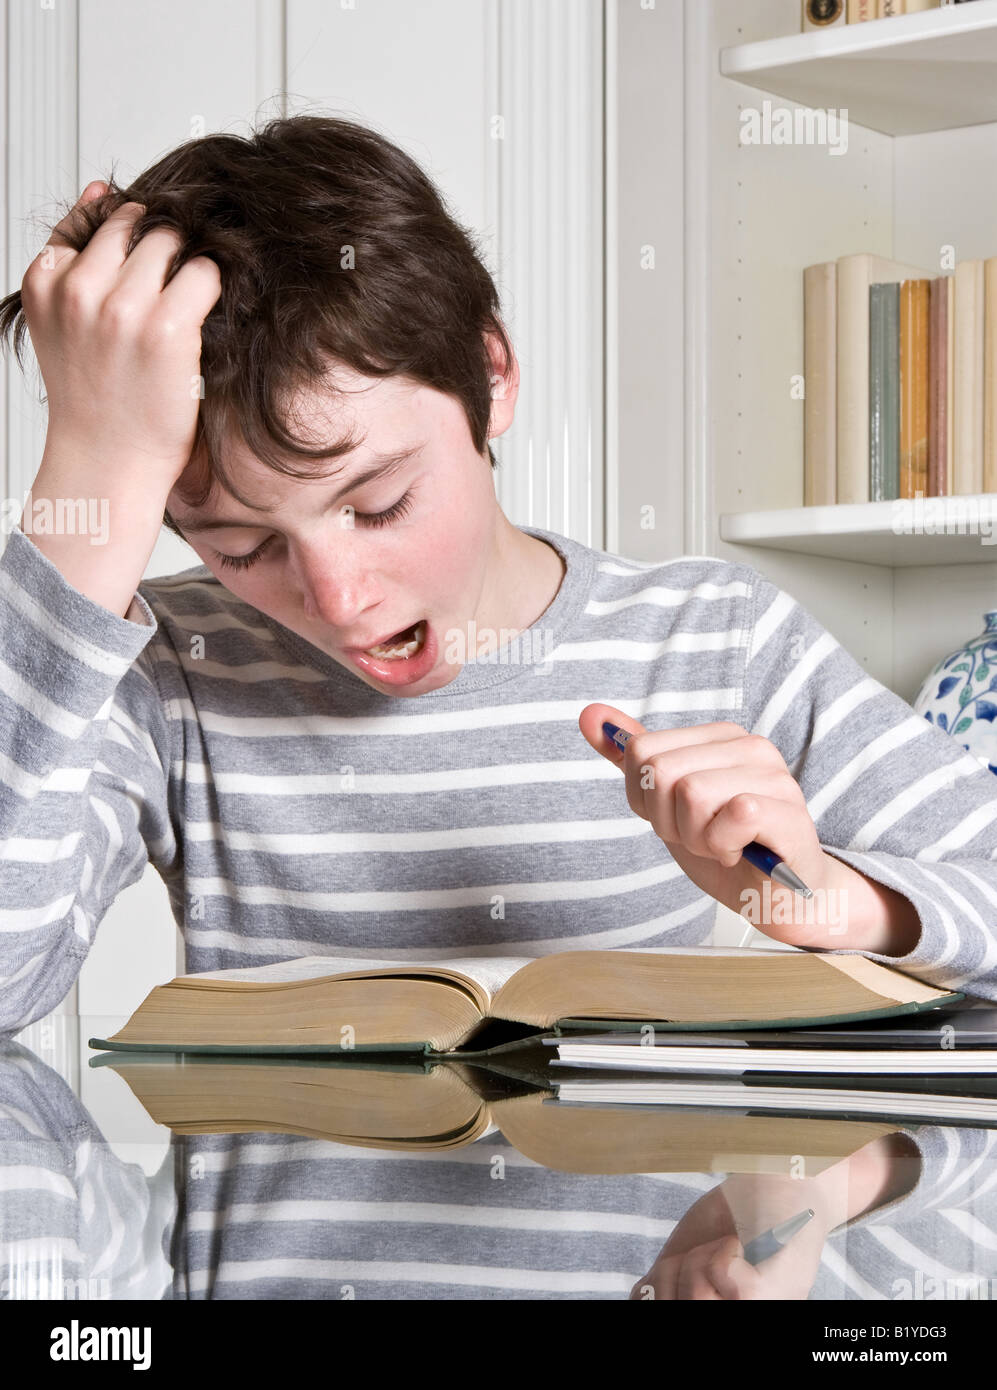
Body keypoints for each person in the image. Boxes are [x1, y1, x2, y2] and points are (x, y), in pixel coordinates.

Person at [1, 115, 996, 1298]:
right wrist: (92, 479)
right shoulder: (173, 665)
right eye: (240, 543)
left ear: (494, 374)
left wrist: (837, 898)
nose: (337, 594)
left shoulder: (716, 638)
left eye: (377, 502)